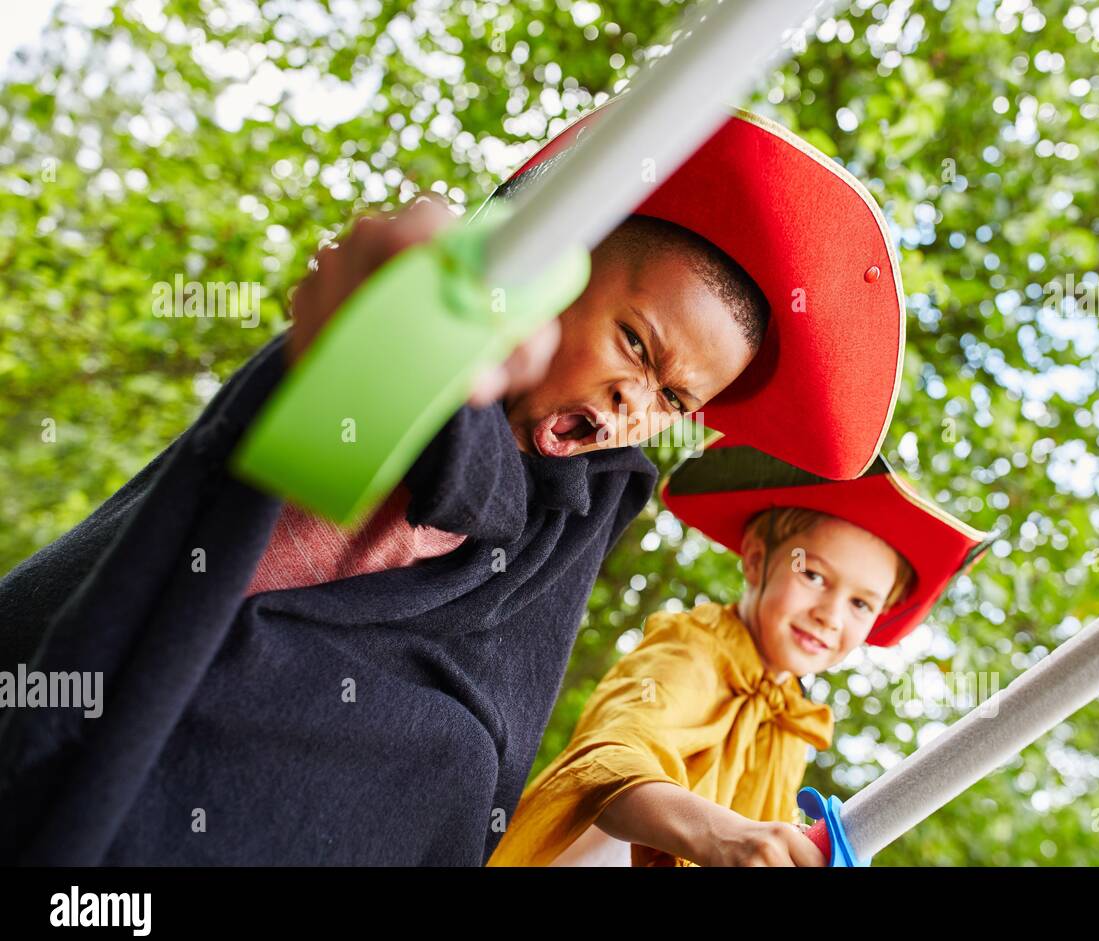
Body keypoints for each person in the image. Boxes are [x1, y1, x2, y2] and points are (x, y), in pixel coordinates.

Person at [0, 97, 905, 865]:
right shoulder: (425, 364)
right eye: (635, 344)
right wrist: (408, 299)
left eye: (673, 397)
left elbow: (469, 751)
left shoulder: (567, 519)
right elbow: (386, 343)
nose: (637, 402)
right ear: (555, 277)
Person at [487, 436, 992, 867]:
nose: (830, 615)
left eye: (862, 604)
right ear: (755, 560)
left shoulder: (788, 724)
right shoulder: (695, 647)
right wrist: (722, 834)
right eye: (813, 575)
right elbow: (607, 763)